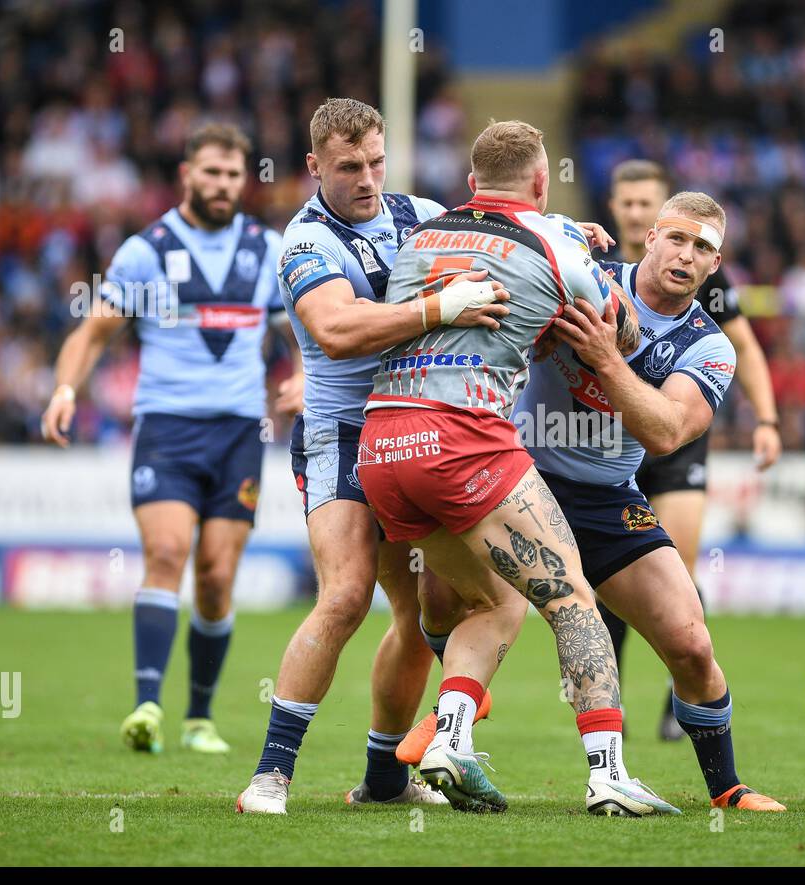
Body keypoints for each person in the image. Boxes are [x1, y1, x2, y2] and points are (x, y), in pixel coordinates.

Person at [417, 192, 788, 812]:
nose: (685, 255)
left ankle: (726, 788)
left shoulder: (709, 346)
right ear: (650, 237)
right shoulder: (580, 278)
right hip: (518, 475)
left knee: (692, 645)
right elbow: (491, 251)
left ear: (715, 264)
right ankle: (425, 744)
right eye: (677, 238)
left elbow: (666, 431)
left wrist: (606, 359)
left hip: (608, 497)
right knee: (447, 604)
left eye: (702, 249)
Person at [357, 120, 680, 816]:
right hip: (464, 438)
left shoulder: (425, 235)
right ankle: (608, 776)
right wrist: (579, 266)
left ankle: (450, 737)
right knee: (570, 597)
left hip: (383, 443)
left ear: (472, 182)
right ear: (542, 182)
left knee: (493, 603)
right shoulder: (557, 243)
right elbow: (616, 329)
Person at [236, 98, 506, 814]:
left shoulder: (415, 211)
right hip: (343, 437)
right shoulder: (304, 242)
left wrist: (568, 234)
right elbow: (335, 329)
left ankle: (386, 779)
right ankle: (271, 775)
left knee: (424, 614)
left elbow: (500, 238)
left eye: (377, 161)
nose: (367, 178)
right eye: (350, 166)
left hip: (418, 435)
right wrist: (435, 310)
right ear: (314, 166)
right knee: (346, 594)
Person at [41, 123, 292, 756]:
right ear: (187, 175)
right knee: (167, 552)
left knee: (215, 575)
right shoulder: (145, 251)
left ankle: (198, 717)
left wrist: (308, 380)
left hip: (238, 433)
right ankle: (147, 705)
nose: (223, 185)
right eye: (211, 173)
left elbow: (304, 335)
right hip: (166, 430)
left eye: (234, 175)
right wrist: (66, 389)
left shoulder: (266, 251)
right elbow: (93, 333)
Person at [604, 160, 782, 739]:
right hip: (598, 444)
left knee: (671, 568)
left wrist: (768, 419)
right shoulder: (586, 269)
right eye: (628, 204)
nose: (634, 212)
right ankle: (611, 702)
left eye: (644, 201)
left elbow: (745, 348)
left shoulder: (709, 288)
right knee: (608, 579)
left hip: (674, 441)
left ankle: (678, 694)